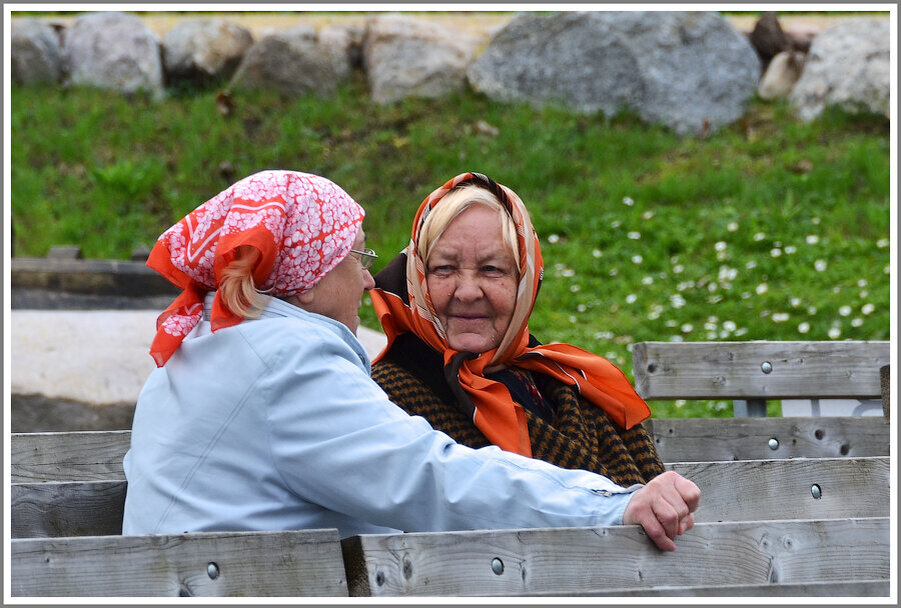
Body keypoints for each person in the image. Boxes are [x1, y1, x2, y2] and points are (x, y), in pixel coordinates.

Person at [122, 169, 699, 552]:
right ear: (303, 279)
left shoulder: (214, 345)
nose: (369, 277)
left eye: (494, 270)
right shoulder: (286, 365)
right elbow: (435, 477)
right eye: (354, 256)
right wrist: (609, 505)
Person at [370, 172, 664, 487]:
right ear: (418, 279)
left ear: (524, 283)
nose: (468, 292)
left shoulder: (571, 385)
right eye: (444, 268)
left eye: (491, 269)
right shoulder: (384, 400)